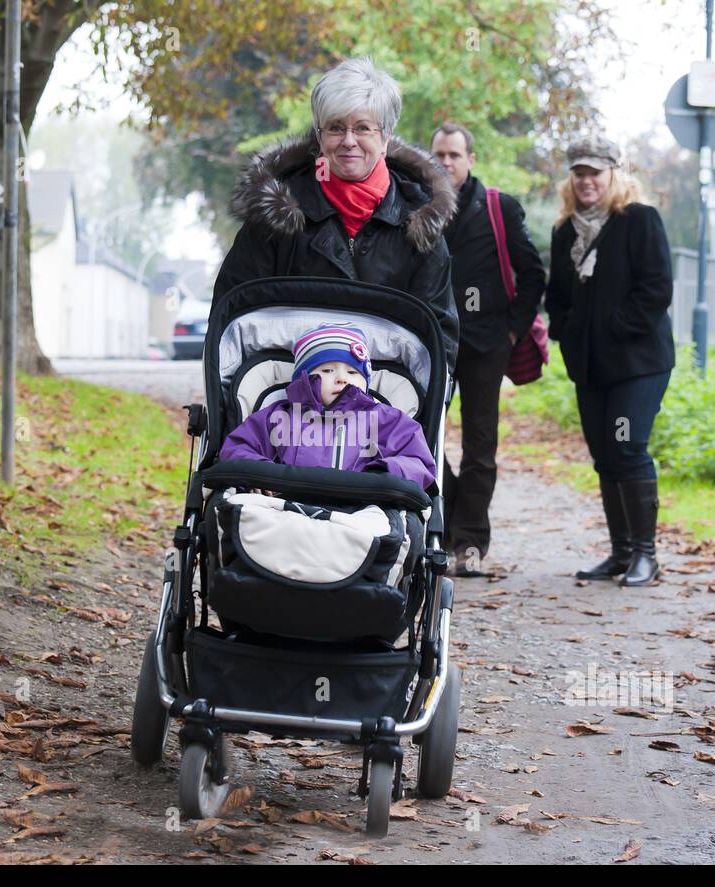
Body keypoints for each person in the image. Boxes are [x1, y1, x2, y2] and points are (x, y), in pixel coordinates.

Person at [211, 56, 460, 371]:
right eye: (336, 128)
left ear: (385, 138)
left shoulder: (419, 224)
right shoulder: (275, 214)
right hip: (282, 403)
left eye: (363, 128)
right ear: (319, 136)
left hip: (385, 409)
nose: (349, 141)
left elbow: (439, 337)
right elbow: (233, 313)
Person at [543, 134, 674, 587]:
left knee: (627, 447)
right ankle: (620, 553)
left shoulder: (639, 220)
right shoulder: (565, 231)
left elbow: (656, 289)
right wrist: (568, 332)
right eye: (578, 172)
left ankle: (646, 555)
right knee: (603, 454)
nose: (586, 181)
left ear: (613, 174)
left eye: (594, 172)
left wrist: (613, 327)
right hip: (591, 366)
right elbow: (556, 296)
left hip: (637, 364)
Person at [430, 122, 546, 575]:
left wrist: (513, 332)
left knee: (480, 447)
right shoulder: (418, 207)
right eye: (438, 154)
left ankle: (470, 544)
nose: (445, 163)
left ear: (470, 159)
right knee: (420, 436)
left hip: (485, 345)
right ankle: (449, 517)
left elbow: (532, 272)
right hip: (433, 344)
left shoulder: (498, 207)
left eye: (454, 155)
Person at [219, 324, 436, 490]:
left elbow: (418, 462)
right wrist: (259, 476)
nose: (342, 379)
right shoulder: (279, 416)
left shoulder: (384, 420)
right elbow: (238, 448)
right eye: (327, 371)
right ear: (303, 378)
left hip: (361, 511)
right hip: (282, 510)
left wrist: (382, 474)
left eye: (353, 373)